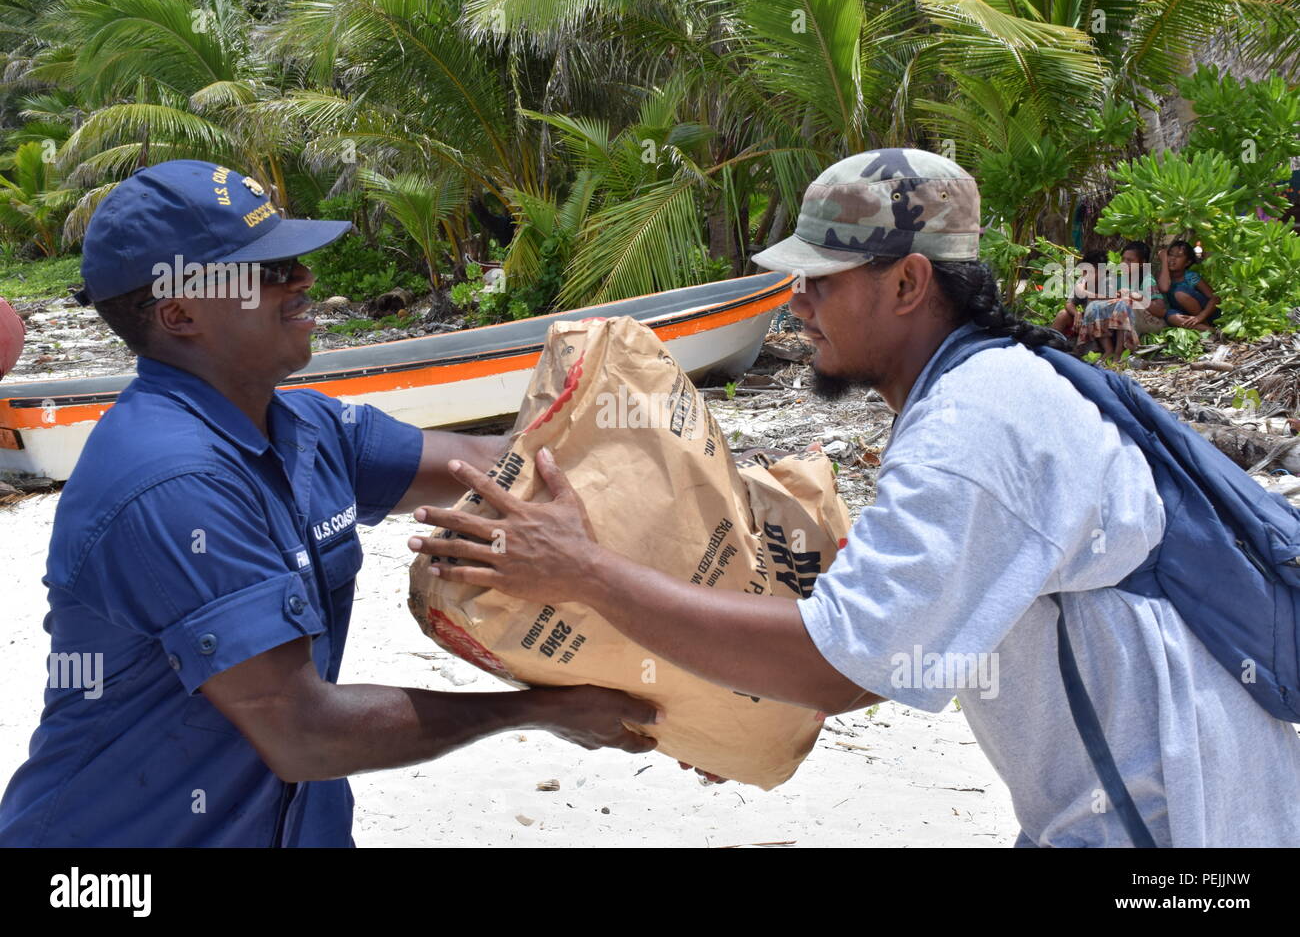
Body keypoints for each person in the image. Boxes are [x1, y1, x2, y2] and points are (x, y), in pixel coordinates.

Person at [408, 148, 1300, 847]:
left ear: (908, 282)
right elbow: (894, 643)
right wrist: (723, 711)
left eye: (819, 281)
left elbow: (838, 667)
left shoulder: (975, 433)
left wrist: (587, 573)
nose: (796, 302)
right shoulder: (992, 390)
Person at [0, 161, 658, 847]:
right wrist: (545, 710)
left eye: (294, 260)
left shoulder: (303, 427)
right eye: (269, 270)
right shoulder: (173, 483)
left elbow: (501, 466)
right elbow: (304, 734)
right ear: (180, 313)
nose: (303, 279)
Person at [1157, 239, 1221, 330]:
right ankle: (1210, 330)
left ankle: (1205, 323)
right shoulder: (1163, 275)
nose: (1172, 258)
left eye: (1179, 256)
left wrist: (1200, 317)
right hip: (1185, 315)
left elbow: (1215, 298)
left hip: (1205, 314)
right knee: (1170, 316)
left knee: (1180, 293)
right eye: (1170, 254)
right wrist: (1163, 260)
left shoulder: (1191, 277)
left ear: (1187, 262)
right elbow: (1164, 288)